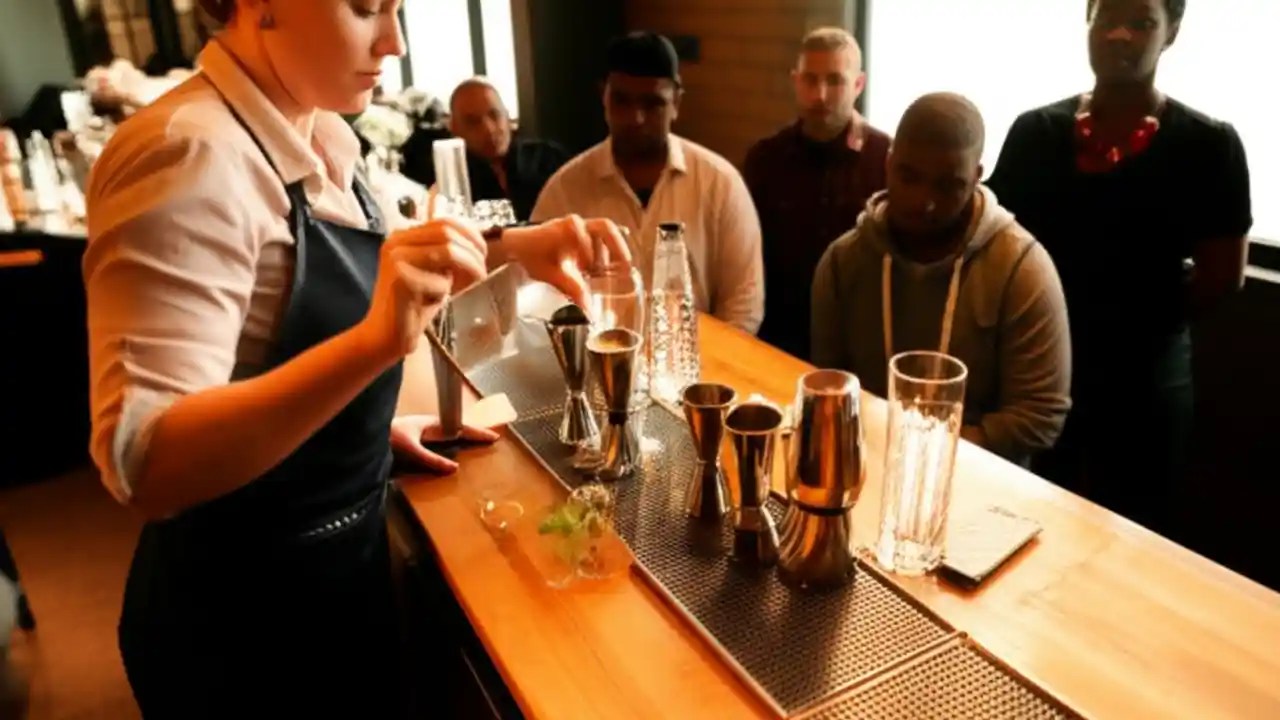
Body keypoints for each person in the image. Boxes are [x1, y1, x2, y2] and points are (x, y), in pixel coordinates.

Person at [82, 1, 630, 717]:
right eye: (365, 6)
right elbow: (145, 459)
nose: (393, 40)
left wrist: (517, 248)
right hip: (243, 635)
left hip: (334, 582)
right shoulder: (188, 153)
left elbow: (360, 274)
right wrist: (372, 346)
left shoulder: (314, 131)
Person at [986, 0, 1251, 531]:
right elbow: (996, 247)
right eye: (1106, 18)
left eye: (1141, 22)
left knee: (1136, 536)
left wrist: (1143, 317)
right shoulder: (1035, 133)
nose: (1119, 35)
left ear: (1171, 31)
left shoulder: (1209, 145)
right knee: (1022, 524)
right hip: (1040, 369)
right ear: (1087, 22)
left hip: (1148, 383)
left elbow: (1224, 275)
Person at [812, 93, 1072, 466]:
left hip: (984, 485)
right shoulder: (843, 261)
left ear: (977, 177)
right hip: (866, 464)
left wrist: (927, 453)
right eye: (909, 177)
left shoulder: (1022, 269)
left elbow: (1040, 415)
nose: (925, 201)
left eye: (948, 185)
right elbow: (830, 386)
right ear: (888, 163)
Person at [531, 31, 765, 334]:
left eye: (652, 103)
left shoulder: (719, 184)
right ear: (604, 96)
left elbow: (743, 304)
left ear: (676, 102)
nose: (636, 118)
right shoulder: (564, 191)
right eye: (622, 101)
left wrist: (707, 374)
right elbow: (537, 299)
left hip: (700, 370)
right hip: (600, 366)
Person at [744, 27, 891, 361]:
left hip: (858, 339)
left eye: (835, 81)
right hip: (780, 336)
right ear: (795, 81)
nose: (820, 94)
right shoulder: (765, 160)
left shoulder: (887, 160)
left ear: (858, 85)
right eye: (810, 80)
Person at [406, 77, 567, 222]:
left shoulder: (547, 157)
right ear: (453, 128)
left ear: (507, 116)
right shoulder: (448, 178)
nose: (488, 129)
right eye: (472, 122)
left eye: (494, 115)